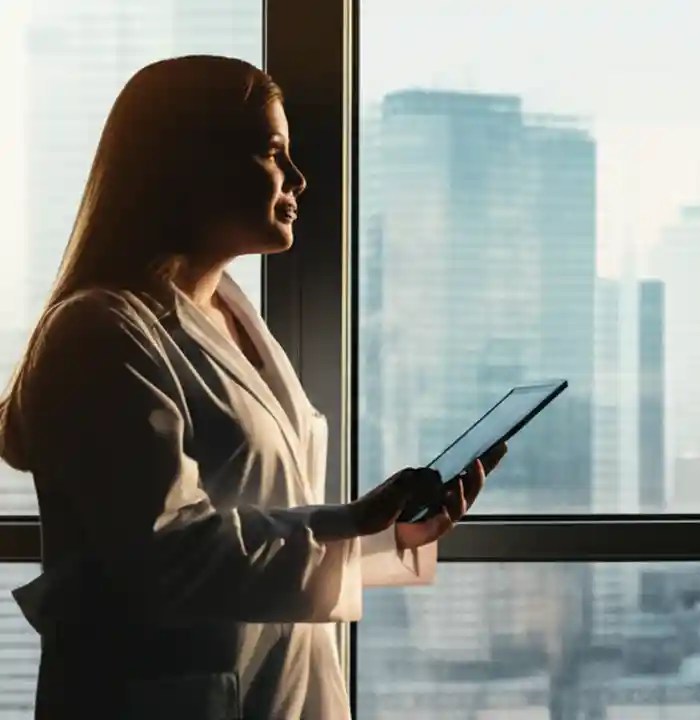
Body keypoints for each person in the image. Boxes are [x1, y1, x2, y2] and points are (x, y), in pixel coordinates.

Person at [0, 55, 503, 719]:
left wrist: (391, 538)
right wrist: (352, 520)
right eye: (273, 153)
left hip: (281, 691)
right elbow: (169, 556)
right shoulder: (98, 331)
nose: (298, 178)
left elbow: (271, 516)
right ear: (189, 163)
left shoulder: (233, 315)